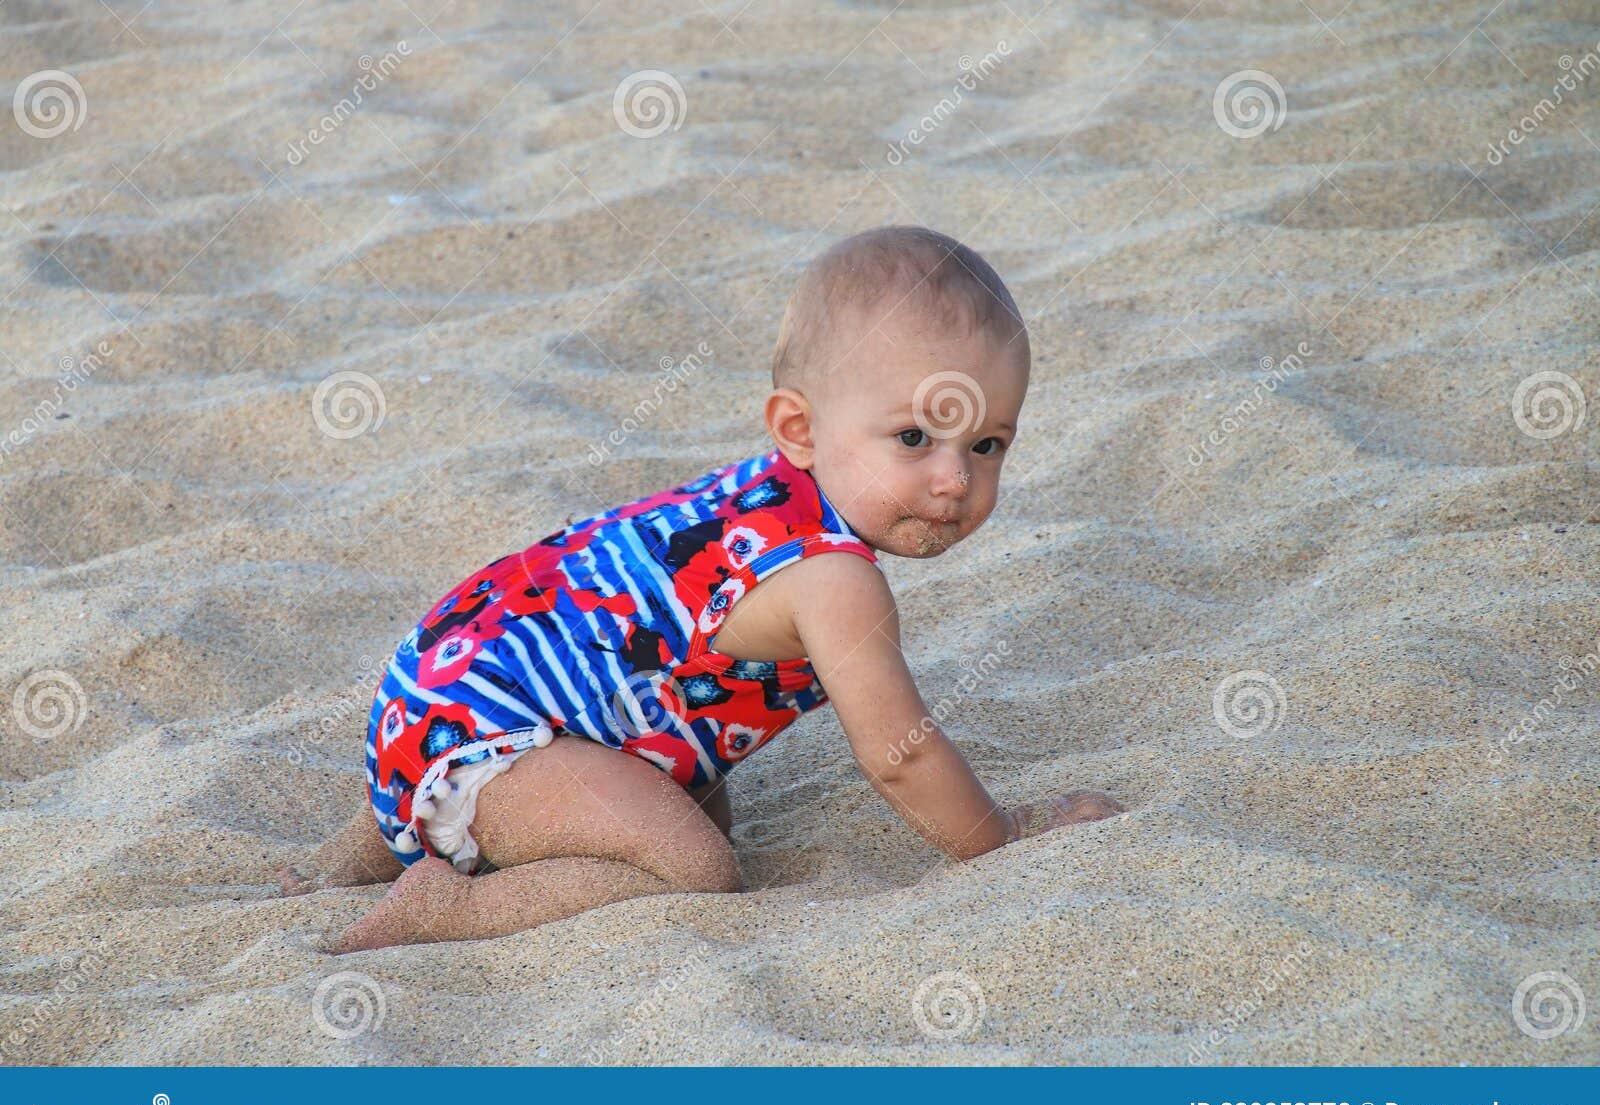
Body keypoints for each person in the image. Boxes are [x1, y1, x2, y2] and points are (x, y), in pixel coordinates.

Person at [281, 225, 1124, 952]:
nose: (953, 480)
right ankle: (452, 903)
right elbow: (901, 756)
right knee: (694, 866)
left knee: (694, 800)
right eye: (914, 437)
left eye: (987, 447)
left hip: (442, 686)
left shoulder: (773, 492)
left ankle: (374, 837)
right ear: (800, 427)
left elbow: (664, 649)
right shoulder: (834, 580)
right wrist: (1001, 836)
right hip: (490, 736)